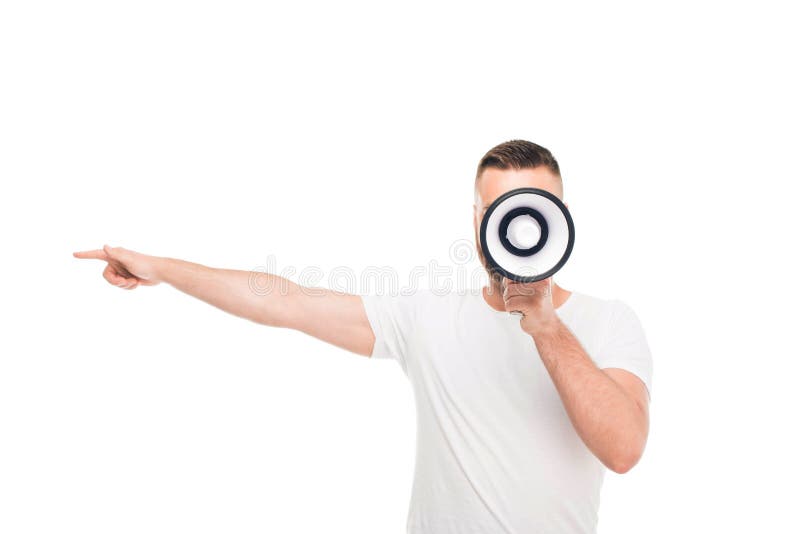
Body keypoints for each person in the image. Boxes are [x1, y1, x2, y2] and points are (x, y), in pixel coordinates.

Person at [74, 140, 652, 534]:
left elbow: (624, 448)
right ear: (476, 222)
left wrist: (546, 326)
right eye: (496, 211)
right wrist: (163, 269)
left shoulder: (608, 322)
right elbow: (288, 301)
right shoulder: (426, 316)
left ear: (559, 217)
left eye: (530, 210)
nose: (512, 229)